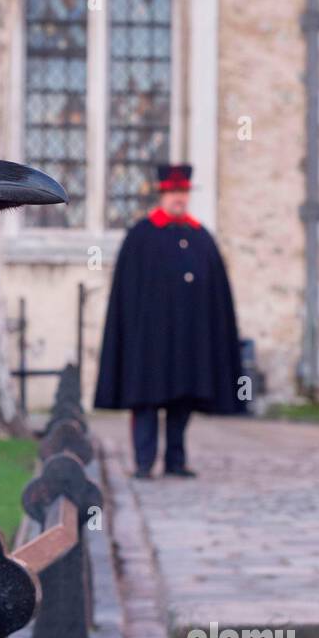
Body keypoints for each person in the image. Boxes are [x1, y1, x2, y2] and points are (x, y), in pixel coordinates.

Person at [93, 163, 246, 479]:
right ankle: (144, 462)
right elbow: (128, 295)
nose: (179, 199)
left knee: (182, 400)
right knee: (146, 402)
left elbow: (215, 293)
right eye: (174, 193)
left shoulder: (201, 237)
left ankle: (176, 460)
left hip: (189, 341)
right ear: (162, 195)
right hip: (149, 342)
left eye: (184, 193)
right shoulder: (141, 237)